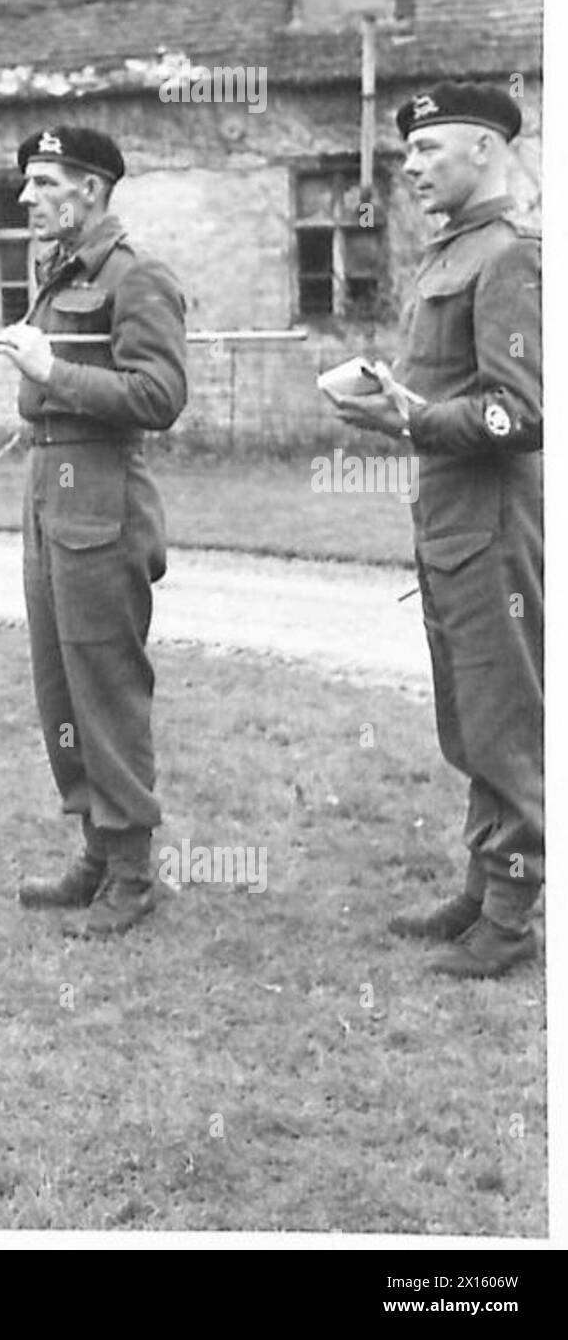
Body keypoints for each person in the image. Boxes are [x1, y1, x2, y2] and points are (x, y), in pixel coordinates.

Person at [329, 83, 542, 979]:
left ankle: (510, 914)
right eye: (409, 152)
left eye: (429, 151)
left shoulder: (509, 259)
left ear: (487, 149)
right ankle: (482, 882)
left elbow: (522, 413)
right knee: (469, 716)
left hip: (493, 529)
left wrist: (406, 420)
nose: (409, 167)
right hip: (452, 523)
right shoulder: (451, 252)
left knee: (508, 723)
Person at [0, 126, 187, 938]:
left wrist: (51, 374)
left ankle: (134, 874)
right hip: (51, 488)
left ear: (92, 189)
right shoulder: (61, 273)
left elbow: (159, 397)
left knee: (105, 688)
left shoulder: (135, 276)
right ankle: (98, 851)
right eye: (29, 184)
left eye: (44, 183)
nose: (27, 198)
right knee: (59, 687)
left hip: (102, 497)